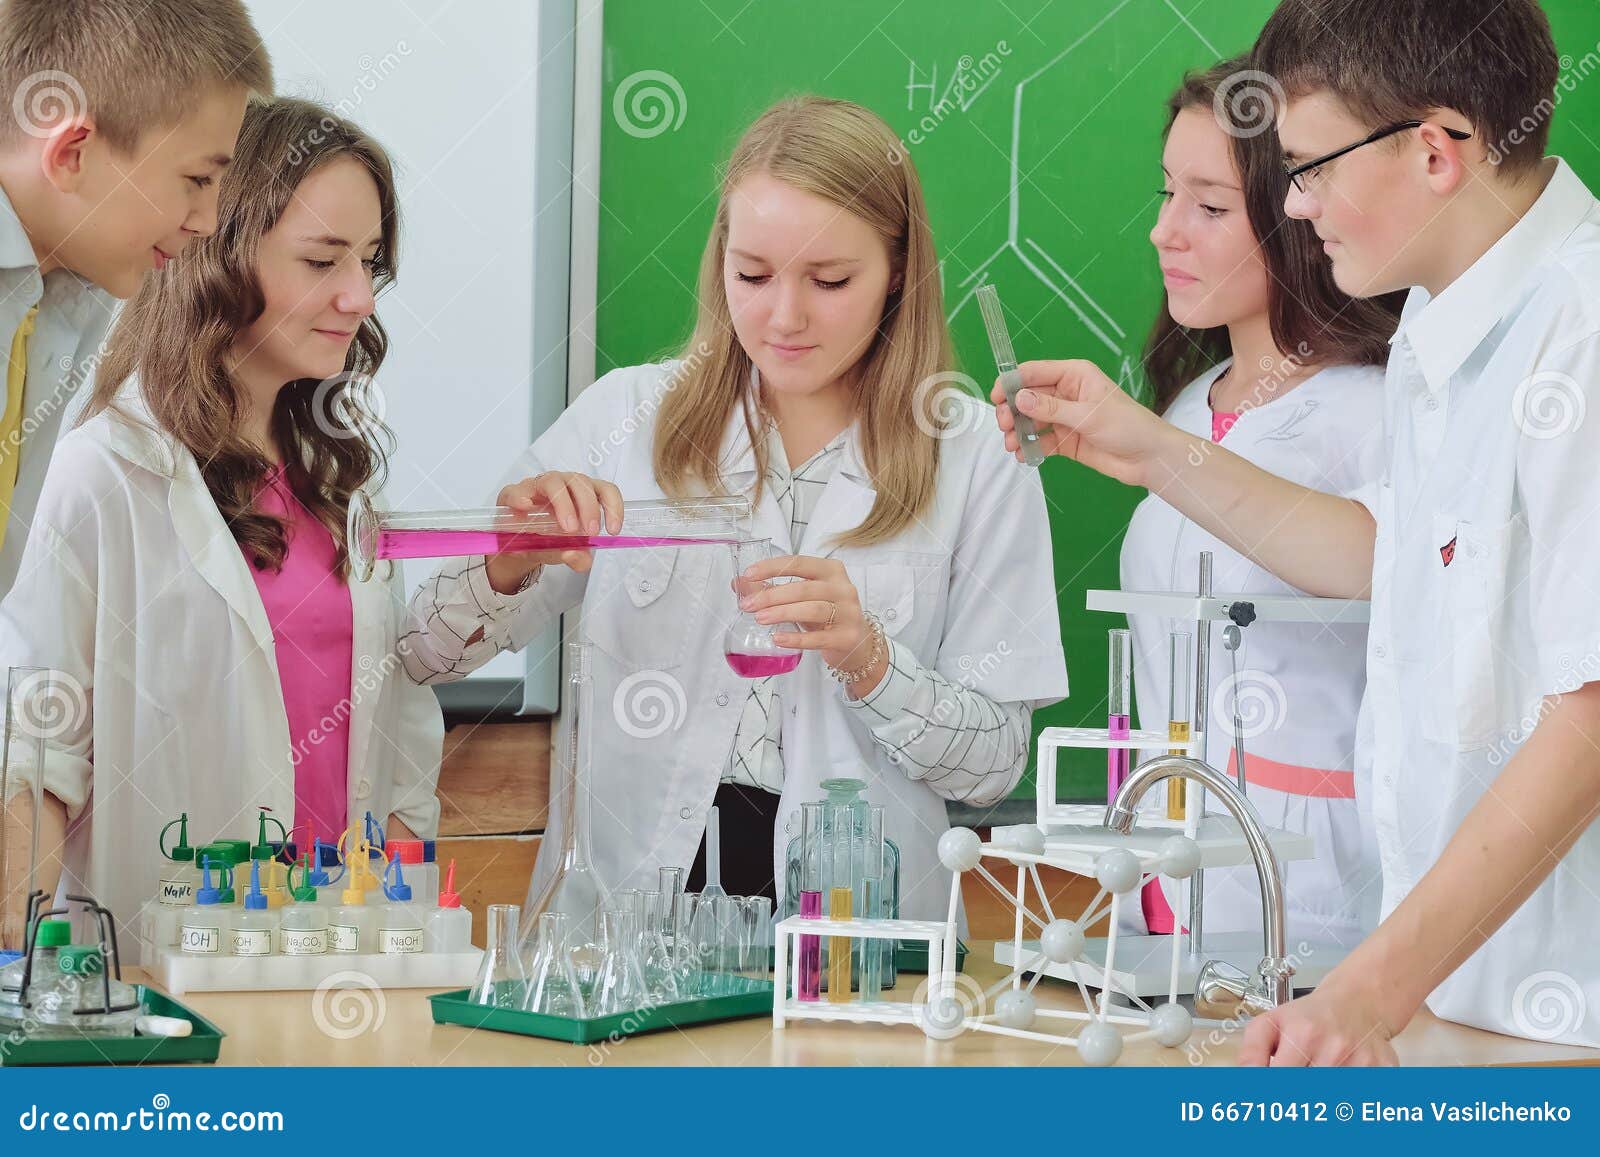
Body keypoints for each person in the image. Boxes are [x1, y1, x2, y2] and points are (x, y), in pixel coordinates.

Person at [995, 0, 1600, 1061]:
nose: (1300, 205)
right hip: (1456, 1006)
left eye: (1309, 168)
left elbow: (1590, 714)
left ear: (1433, 150)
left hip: (1559, 1012)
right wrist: (1145, 452)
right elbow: (1382, 558)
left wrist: (1363, 990)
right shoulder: (1442, 330)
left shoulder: (1579, 334)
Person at [399, 96, 1069, 923]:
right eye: (752, 274)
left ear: (898, 268)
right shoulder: (625, 419)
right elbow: (421, 653)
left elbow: (994, 767)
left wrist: (869, 659)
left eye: (829, 281)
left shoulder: (974, 457)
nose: (783, 316)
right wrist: (508, 559)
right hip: (626, 936)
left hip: (860, 947)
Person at [0, 98, 443, 955]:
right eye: (322, 260)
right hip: (168, 976)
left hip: (336, 961)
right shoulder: (104, 473)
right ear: (218, 256)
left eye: (371, 260)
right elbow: (38, 761)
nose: (357, 296)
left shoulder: (339, 487)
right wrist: (16, 971)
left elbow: (397, 742)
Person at [1120, 55, 1400, 950]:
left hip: (1312, 884)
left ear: (1299, 216)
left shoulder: (1378, 409)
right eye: (1167, 194)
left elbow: (1381, 571)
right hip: (1159, 877)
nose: (1167, 231)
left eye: (1208, 206)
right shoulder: (1190, 404)